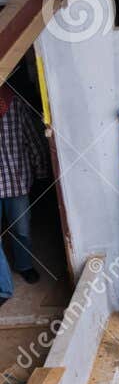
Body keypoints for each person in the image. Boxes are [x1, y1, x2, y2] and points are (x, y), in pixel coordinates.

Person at [0, 81, 48, 309]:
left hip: (15, 180)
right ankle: (3, 287)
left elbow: (31, 137)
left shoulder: (14, 101)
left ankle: (24, 265)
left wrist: (41, 171)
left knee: (21, 229)